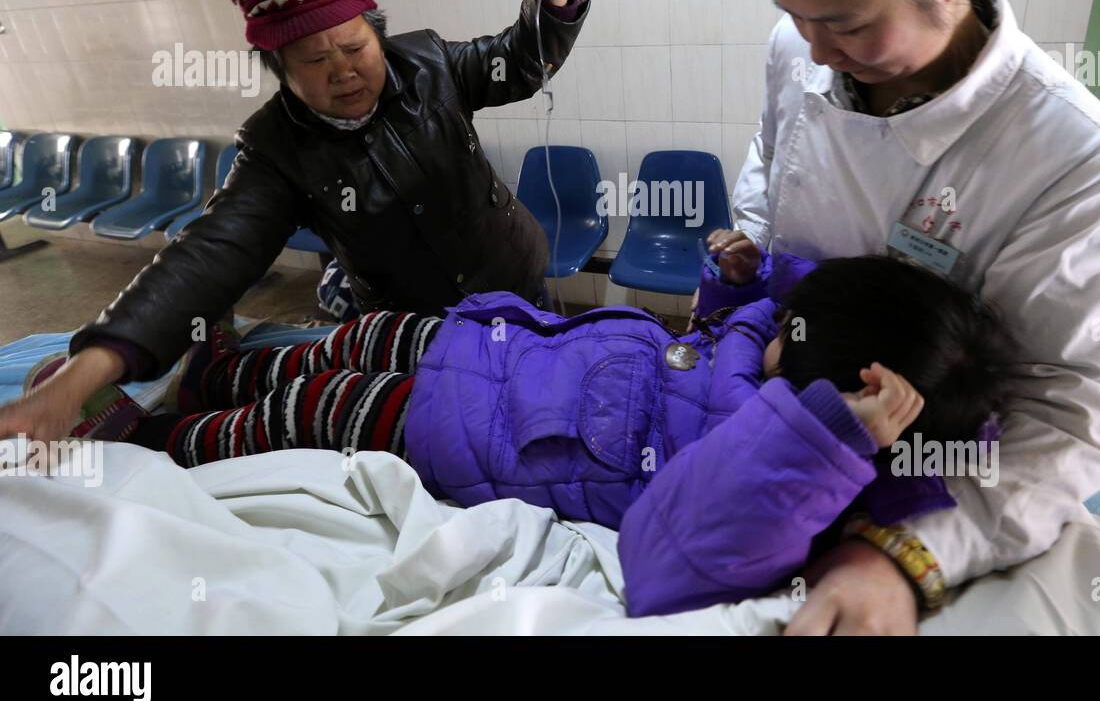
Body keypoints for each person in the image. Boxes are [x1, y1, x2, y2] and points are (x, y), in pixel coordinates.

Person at [703, 0, 1100, 634]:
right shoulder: (801, 53)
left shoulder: (1066, 151)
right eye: (795, 15)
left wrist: (908, 555)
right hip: (781, 424)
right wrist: (751, 236)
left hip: (940, 474)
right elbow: (771, 147)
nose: (819, 53)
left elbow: (1065, 408)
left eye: (853, 27)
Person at [42, 248, 1016, 619]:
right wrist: (743, 279)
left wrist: (819, 441)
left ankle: (165, 436)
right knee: (316, 349)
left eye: (794, 331)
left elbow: (668, 551)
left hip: (451, 428)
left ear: (859, 388)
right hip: (481, 335)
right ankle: (219, 364)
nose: (773, 332)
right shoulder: (794, 348)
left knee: (292, 418)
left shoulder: (791, 472)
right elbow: (766, 321)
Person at [0, 0, 594, 446]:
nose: (344, 71)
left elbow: (518, 61)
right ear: (279, 70)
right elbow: (208, 257)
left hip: (514, 278)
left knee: (546, 397)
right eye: (315, 60)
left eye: (356, 48)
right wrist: (74, 385)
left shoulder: (430, 63)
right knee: (424, 422)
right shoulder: (276, 149)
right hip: (410, 325)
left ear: (377, 35)